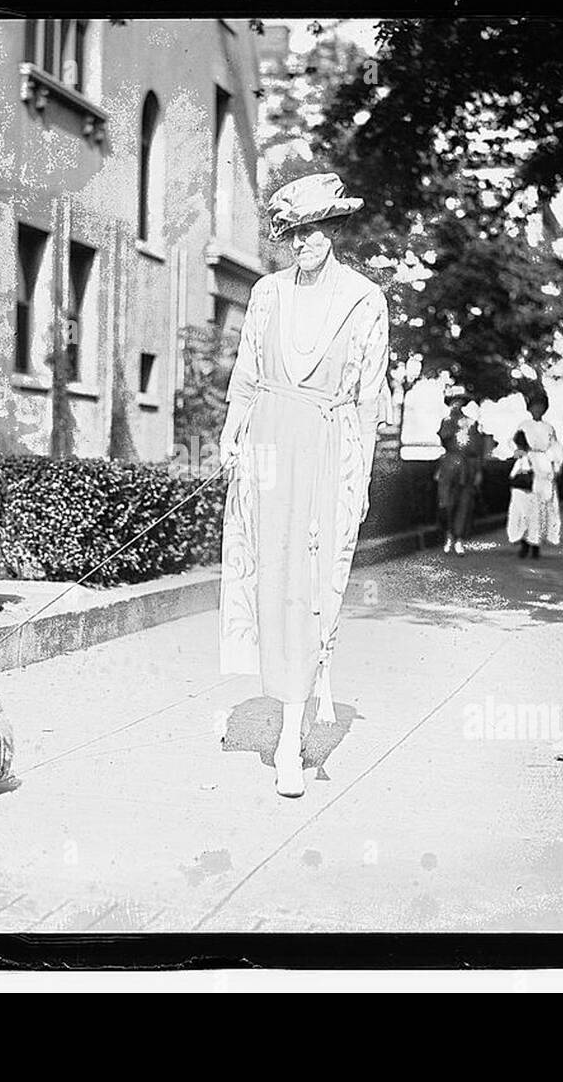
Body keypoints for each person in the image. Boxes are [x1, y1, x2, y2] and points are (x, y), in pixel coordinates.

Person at [218, 173, 390, 798]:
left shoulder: (365, 301)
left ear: (335, 230)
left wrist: (361, 475)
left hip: (326, 446)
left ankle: (291, 738)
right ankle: (294, 694)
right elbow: (246, 373)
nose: (303, 241)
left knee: (313, 581)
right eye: (293, 230)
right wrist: (232, 434)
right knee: (272, 577)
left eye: (315, 229)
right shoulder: (266, 294)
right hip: (268, 442)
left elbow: (369, 400)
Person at [506, 392, 562, 559]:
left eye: (541, 407)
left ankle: (536, 543)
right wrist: (521, 454)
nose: (537, 410)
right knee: (524, 506)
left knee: (542, 506)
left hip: (543, 468)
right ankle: (524, 542)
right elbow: (513, 444)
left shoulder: (548, 428)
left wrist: (556, 465)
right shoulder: (524, 425)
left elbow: (555, 448)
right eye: (534, 406)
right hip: (527, 465)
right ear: (529, 408)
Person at [434, 395, 485, 555]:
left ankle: (459, 538)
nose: (456, 406)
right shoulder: (447, 422)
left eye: (459, 403)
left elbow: (477, 449)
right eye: (453, 403)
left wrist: (478, 471)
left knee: (464, 503)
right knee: (446, 502)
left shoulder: (471, 423)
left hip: (467, 466)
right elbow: (443, 437)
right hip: (450, 463)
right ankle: (449, 534)